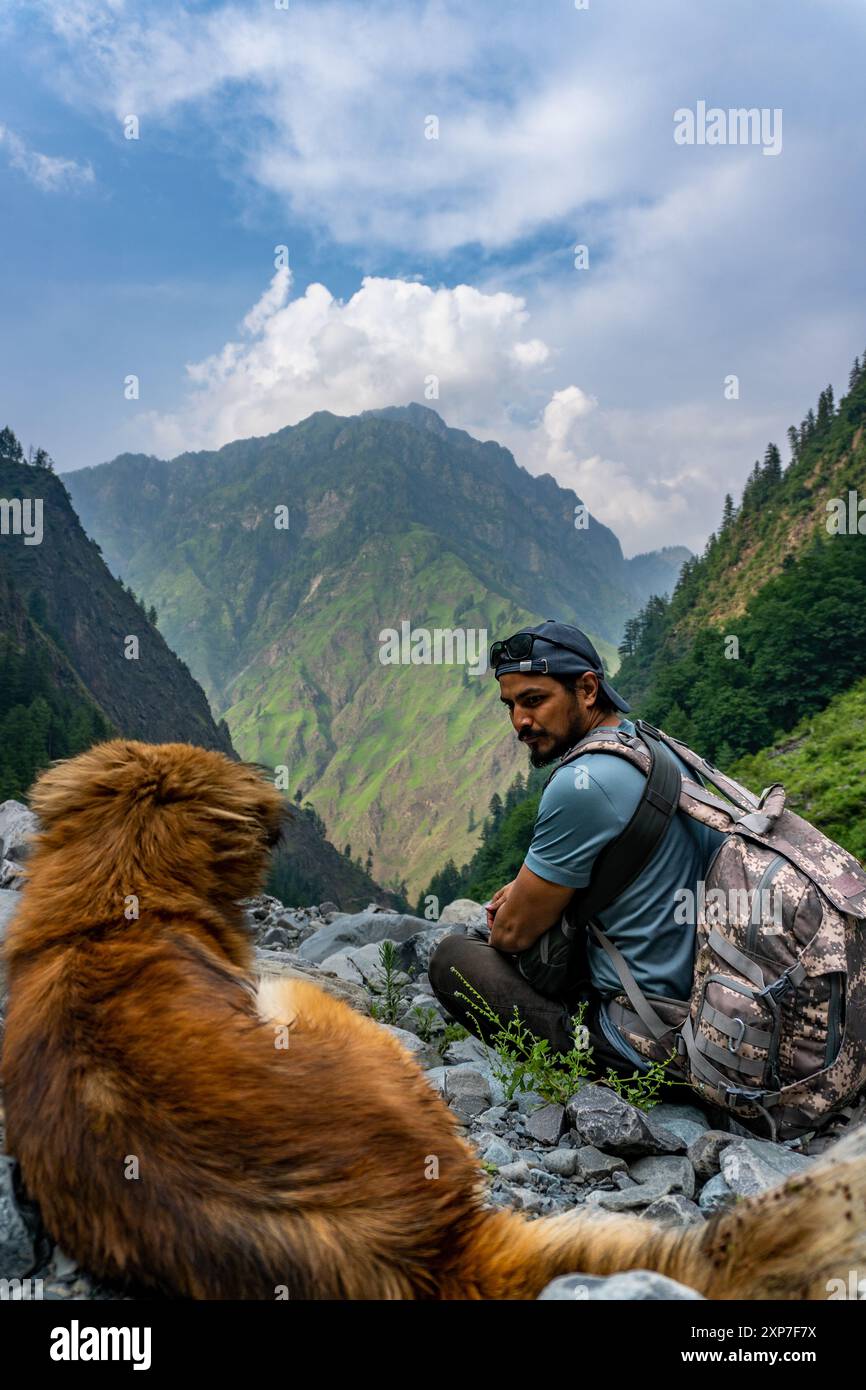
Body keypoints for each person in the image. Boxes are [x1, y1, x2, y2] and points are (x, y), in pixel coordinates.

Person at [428, 620, 726, 1081]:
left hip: (648, 1042)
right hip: (711, 1012)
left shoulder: (581, 785)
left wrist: (522, 905)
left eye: (534, 700)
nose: (520, 722)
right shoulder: (654, 749)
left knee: (453, 958)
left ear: (587, 689)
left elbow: (510, 935)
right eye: (510, 705)